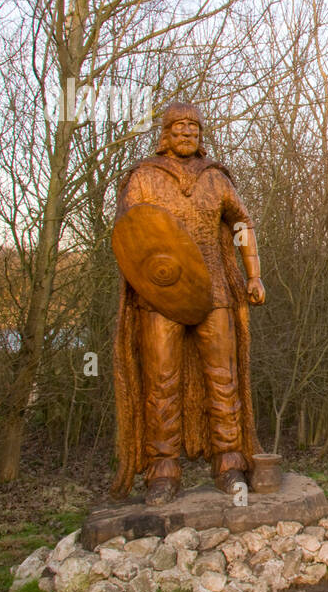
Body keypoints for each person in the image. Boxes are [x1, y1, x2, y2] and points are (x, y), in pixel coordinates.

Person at [111, 102, 266, 505]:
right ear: (165, 134)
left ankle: (230, 462)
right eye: (179, 129)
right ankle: (163, 469)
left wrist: (253, 274)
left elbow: (242, 224)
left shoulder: (215, 179)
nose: (187, 135)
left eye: (194, 129)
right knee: (161, 382)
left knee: (223, 377)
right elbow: (130, 233)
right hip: (160, 297)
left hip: (215, 292)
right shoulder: (144, 177)